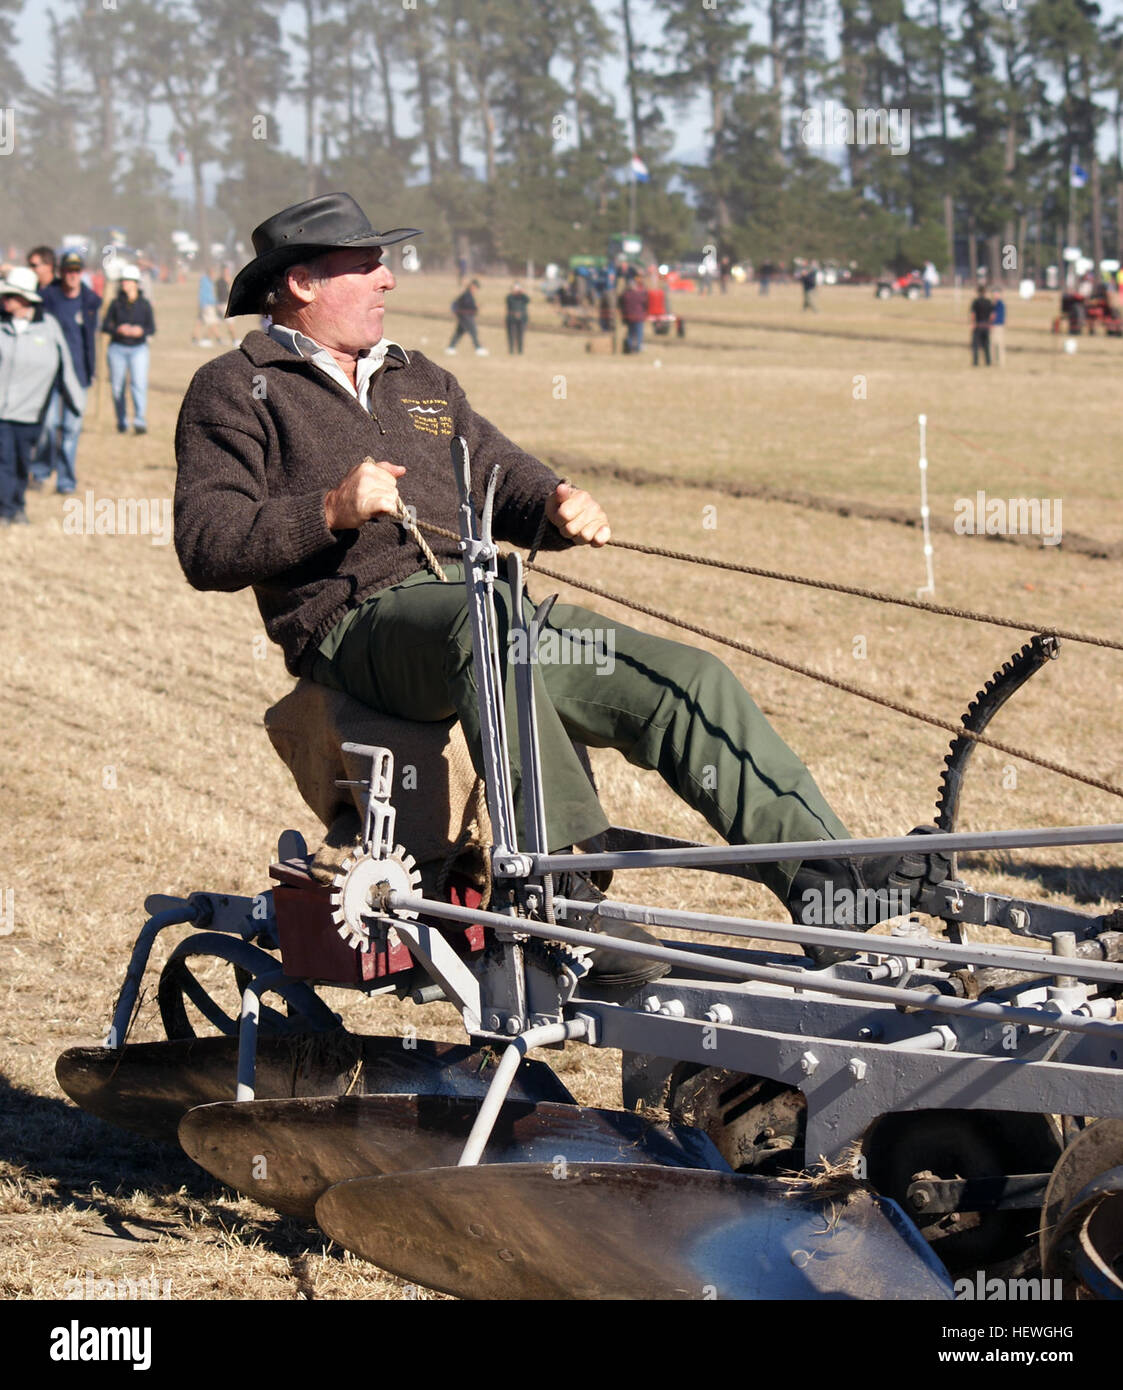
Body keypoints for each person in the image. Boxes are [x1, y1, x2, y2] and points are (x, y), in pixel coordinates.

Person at [173, 192, 949, 982]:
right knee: (484, 631)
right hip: (357, 626)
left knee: (684, 681)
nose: (387, 281)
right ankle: (562, 889)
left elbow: (499, 472)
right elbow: (206, 545)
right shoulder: (236, 388)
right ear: (301, 283)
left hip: (482, 611)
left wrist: (553, 501)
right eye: (366, 265)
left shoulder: (420, 379)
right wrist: (329, 510)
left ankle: (839, 905)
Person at [0, 266, 85, 525]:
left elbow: (65, 365)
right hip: (2, 411)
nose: (4, 300)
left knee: (22, 461)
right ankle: (6, 510)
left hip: (32, 411)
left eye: (9, 296)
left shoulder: (48, 327)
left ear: (24, 298)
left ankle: (17, 505)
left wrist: (75, 402)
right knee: (3, 460)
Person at [32, 250, 101, 494]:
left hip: (79, 373)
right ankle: (40, 472)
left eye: (76, 271)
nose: (72, 275)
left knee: (71, 429)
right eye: (68, 271)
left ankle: (66, 482)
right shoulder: (46, 297)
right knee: (48, 425)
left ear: (81, 273)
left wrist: (92, 370)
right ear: (61, 272)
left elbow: (90, 339)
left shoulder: (89, 300)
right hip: (50, 373)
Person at [102, 265, 156, 435]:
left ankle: (140, 421)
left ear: (135, 283)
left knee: (138, 385)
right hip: (117, 349)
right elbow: (105, 326)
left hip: (139, 349)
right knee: (118, 387)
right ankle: (122, 421)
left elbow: (151, 328)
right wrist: (118, 329)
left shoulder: (144, 304)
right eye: (123, 281)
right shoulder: (115, 303)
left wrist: (140, 331)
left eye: (127, 280)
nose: (124, 283)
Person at [447, 279, 487, 355]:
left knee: (460, 331)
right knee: (473, 331)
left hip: (466, 316)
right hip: (466, 316)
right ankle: (478, 348)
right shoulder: (466, 295)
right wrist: (475, 307)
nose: (476, 290)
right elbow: (466, 305)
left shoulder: (468, 295)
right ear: (472, 287)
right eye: (476, 288)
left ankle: (451, 347)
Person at [617, 273, 647, 353]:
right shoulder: (638, 294)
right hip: (638, 317)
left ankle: (630, 347)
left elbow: (620, 302)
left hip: (629, 317)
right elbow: (645, 302)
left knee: (630, 333)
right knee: (638, 334)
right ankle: (637, 348)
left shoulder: (625, 295)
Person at [969, 286, 994, 366]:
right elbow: (992, 315)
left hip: (978, 325)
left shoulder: (976, 302)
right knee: (986, 345)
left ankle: (976, 362)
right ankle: (988, 362)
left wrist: (973, 323)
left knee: (976, 345)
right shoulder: (988, 301)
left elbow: (973, 314)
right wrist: (990, 324)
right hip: (986, 326)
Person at [504, 282, 530, 355]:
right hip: (511, 319)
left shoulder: (523, 297)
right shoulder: (510, 297)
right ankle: (511, 350)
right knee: (511, 335)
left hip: (522, 319)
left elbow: (528, 300)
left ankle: (520, 351)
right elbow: (509, 301)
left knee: (521, 335)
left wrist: (523, 293)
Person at [990, 288, 1007, 367]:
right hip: (994, 326)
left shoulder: (1000, 304)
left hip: (998, 326)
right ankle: (994, 361)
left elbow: (994, 315)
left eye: (996, 294)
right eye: (994, 294)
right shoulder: (994, 304)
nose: (995, 296)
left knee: (999, 344)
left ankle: (1001, 362)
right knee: (993, 345)